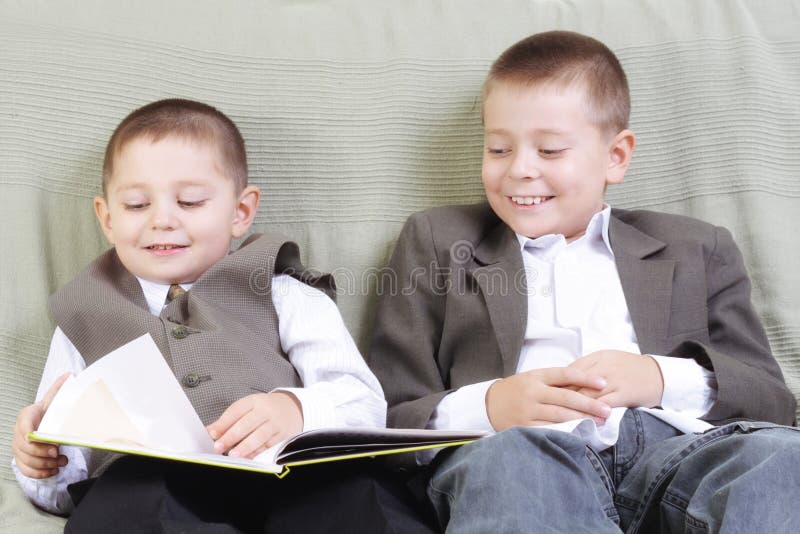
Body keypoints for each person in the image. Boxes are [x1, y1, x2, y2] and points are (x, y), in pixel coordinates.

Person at [369, 31, 799, 533]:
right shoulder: (438, 241)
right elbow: (386, 413)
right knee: (513, 466)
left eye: (550, 150)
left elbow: (771, 400)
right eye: (499, 148)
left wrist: (659, 378)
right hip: (522, 452)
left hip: (682, 450)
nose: (519, 170)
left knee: (781, 460)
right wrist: (490, 406)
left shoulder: (696, 247)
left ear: (616, 156)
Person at [12, 99, 436, 533]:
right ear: (107, 219)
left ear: (240, 212)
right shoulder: (84, 313)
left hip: (289, 477)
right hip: (152, 489)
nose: (162, 220)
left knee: (359, 494)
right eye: (137, 205)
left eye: (190, 201)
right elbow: (64, 464)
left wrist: (294, 408)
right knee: (122, 504)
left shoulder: (284, 292)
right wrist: (43, 462)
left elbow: (364, 405)